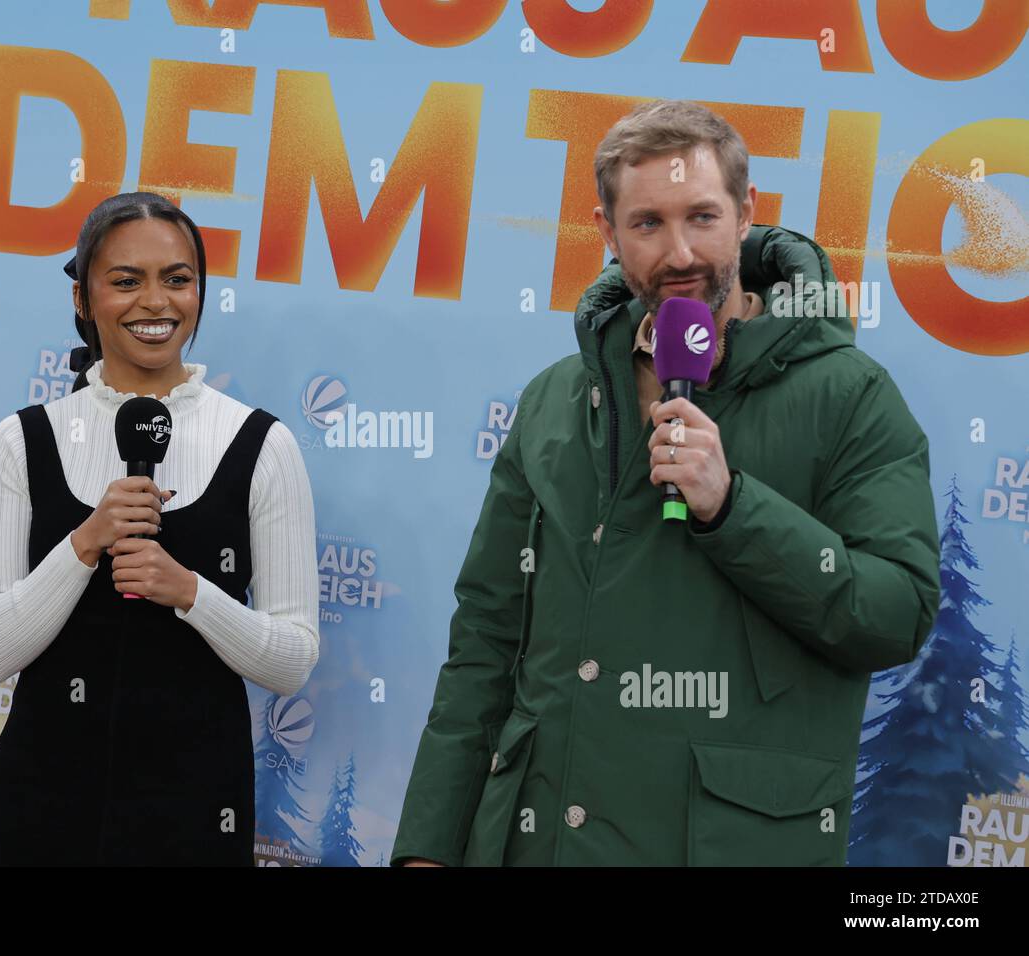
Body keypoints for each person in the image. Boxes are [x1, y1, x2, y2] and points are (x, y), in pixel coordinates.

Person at [391, 100, 941, 866]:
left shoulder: (849, 395)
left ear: (747, 213)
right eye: (647, 223)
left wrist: (733, 508)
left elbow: (896, 613)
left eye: (703, 216)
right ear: (607, 232)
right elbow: (485, 639)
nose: (680, 252)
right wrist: (429, 848)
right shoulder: (555, 398)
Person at [0, 192, 319, 865]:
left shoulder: (262, 445)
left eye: (177, 279)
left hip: (192, 812)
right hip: (40, 810)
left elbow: (292, 660)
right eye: (126, 281)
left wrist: (191, 592)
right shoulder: (22, 441)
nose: (155, 303)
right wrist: (83, 544)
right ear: (83, 300)